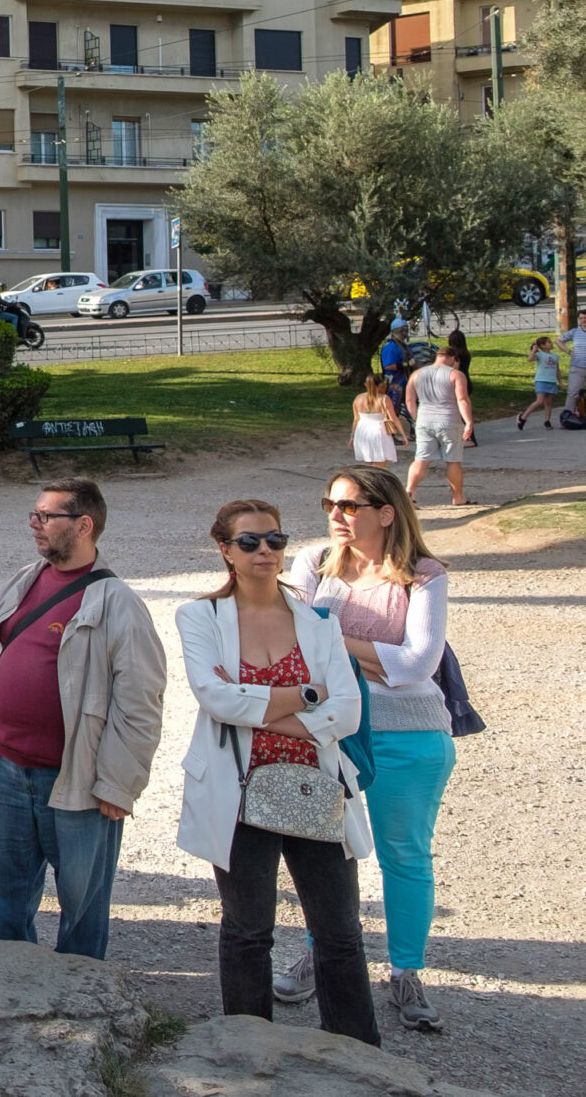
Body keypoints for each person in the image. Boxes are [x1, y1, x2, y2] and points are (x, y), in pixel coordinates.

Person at [175, 499, 378, 1047]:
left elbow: (350, 711)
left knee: (339, 933)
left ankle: (356, 1051)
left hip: (315, 784)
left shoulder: (318, 621)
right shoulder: (200, 617)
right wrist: (308, 700)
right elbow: (216, 698)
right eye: (250, 541)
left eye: (275, 540)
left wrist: (266, 709)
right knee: (247, 932)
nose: (265, 550)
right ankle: (248, 1049)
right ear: (225, 551)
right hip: (238, 793)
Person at [0, 479, 165, 961]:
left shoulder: (120, 604)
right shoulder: (23, 580)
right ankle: (15, 984)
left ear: (84, 525)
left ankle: (83, 1004)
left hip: (78, 779)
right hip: (6, 768)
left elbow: (140, 704)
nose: (35, 524)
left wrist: (119, 784)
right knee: (2, 891)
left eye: (47, 516)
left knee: (82, 904)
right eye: (34, 514)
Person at [282, 465, 452, 1032]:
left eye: (349, 506)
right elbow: (294, 641)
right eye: (330, 502)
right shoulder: (312, 563)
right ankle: (323, 957)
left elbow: (419, 664)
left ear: (386, 512)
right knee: (325, 852)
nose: (335, 514)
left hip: (409, 733)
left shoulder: (423, 575)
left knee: (404, 856)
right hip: (330, 731)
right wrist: (377, 654)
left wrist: (332, 638)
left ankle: (406, 971)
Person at [402, 349, 475, 506]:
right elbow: (462, 399)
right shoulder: (455, 375)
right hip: (448, 420)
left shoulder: (416, 374)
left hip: (424, 420)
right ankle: (457, 497)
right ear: (452, 358)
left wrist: (416, 418)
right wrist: (468, 421)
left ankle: (410, 491)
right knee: (453, 460)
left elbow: (409, 400)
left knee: (421, 459)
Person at [350, 380, 403, 465]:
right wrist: (403, 435)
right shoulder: (384, 398)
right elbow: (394, 418)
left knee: (371, 463)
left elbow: (356, 419)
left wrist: (352, 436)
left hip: (362, 431)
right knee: (380, 464)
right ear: (379, 385)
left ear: (365, 385)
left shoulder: (358, 398)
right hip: (379, 432)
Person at [517, 335, 563, 430]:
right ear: (542, 346)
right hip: (541, 380)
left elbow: (557, 370)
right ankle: (522, 418)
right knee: (540, 401)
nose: (551, 343)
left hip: (551, 381)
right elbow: (529, 359)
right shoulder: (539, 355)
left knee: (548, 402)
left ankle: (547, 421)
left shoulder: (555, 356)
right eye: (549, 342)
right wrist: (534, 349)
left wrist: (560, 382)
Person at [377, 320, 412, 417]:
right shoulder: (391, 347)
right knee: (391, 410)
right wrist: (406, 364)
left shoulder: (401, 345)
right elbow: (388, 366)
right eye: (404, 330)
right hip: (394, 382)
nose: (406, 333)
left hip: (404, 380)